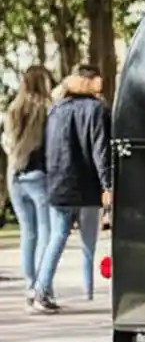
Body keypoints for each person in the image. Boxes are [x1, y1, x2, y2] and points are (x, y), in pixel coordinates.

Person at [31, 65, 113, 312]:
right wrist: (108, 184)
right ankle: (87, 293)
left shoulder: (56, 109)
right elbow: (101, 150)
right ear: (91, 82)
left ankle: (40, 288)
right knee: (89, 241)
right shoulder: (97, 110)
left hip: (58, 185)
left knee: (57, 236)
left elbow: (49, 148)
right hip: (86, 186)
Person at [1, 65, 55, 312]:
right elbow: (49, 143)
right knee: (46, 231)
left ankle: (30, 285)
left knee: (28, 234)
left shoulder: (12, 109)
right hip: (37, 174)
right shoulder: (44, 108)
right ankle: (42, 288)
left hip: (15, 174)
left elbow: (8, 143)